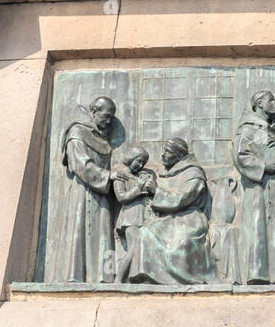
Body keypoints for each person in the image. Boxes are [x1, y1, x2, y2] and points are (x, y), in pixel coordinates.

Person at [50, 94, 117, 284]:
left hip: (102, 193)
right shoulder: (77, 133)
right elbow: (80, 164)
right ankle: (76, 276)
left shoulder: (103, 137)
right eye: (106, 116)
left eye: (112, 117)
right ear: (94, 112)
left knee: (105, 233)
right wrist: (107, 176)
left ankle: (107, 276)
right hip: (83, 191)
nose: (109, 120)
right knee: (80, 234)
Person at [128, 137, 214, 285]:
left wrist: (156, 191)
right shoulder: (169, 172)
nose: (162, 155)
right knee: (145, 232)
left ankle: (181, 279)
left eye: (167, 152)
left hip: (190, 218)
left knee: (183, 240)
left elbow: (183, 199)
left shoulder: (194, 174)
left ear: (179, 156)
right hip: (170, 219)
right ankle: (146, 276)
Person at [232, 90, 275, 285]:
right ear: (259, 103)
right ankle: (257, 273)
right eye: (270, 100)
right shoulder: (248, 129)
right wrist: (263, 167)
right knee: (258, 225)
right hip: (257, 186)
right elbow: (239, 156)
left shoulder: (268, 129)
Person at [111, 145, 156, 284]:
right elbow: (121, 197)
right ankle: (118, 279)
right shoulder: (120, 174)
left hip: (144, 216)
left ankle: (137, 276)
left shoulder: (140, 176)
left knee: (142, 247)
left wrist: (150, 185)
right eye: (139, 161)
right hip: (131, 217)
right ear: (131, 158)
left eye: (143, 162)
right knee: (134, 248)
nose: (141, 165)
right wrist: (138, 188)